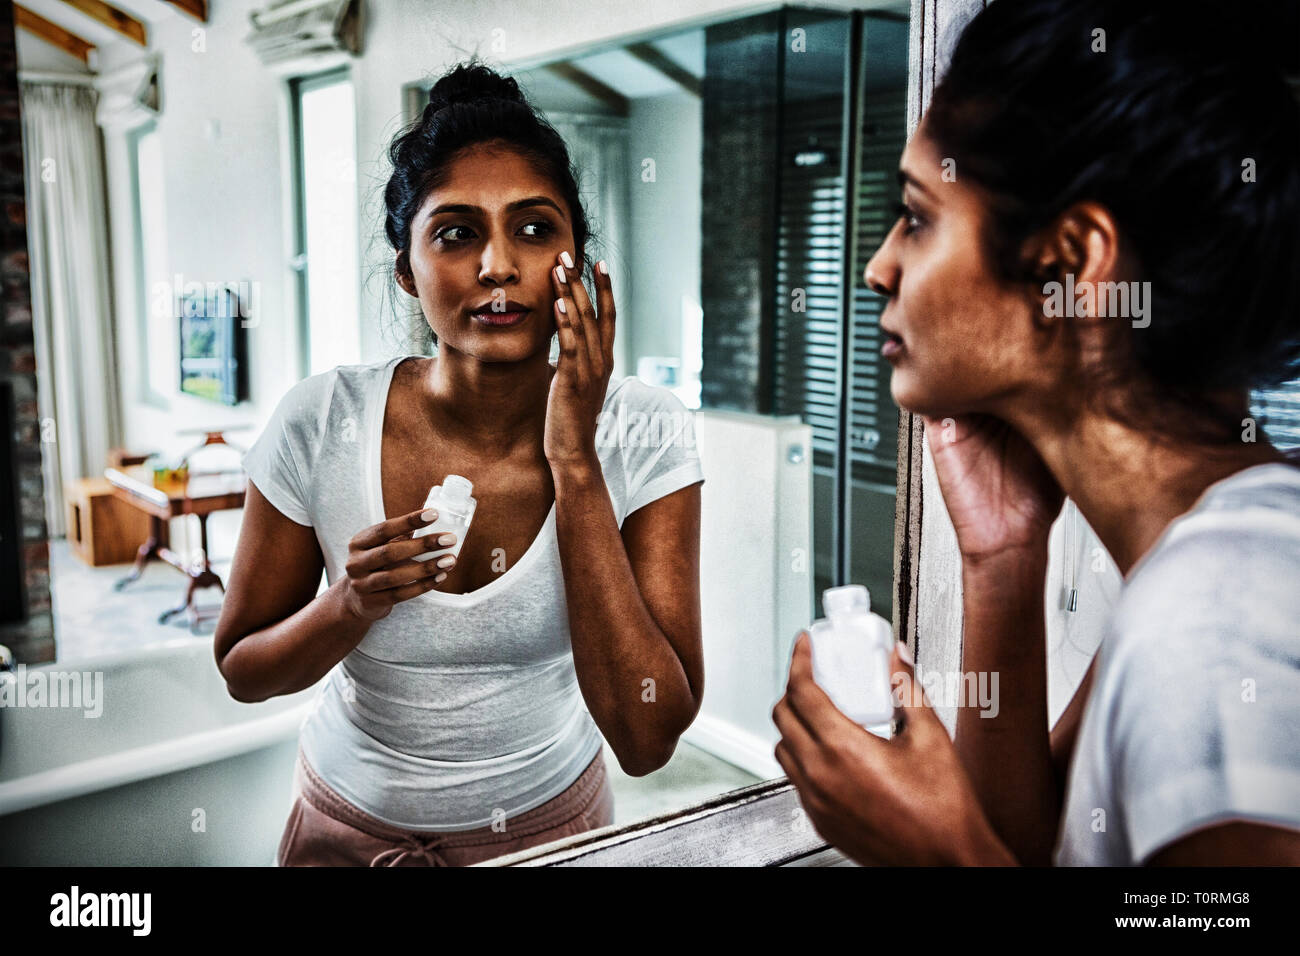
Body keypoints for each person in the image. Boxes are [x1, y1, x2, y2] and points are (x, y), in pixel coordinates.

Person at [773, 0, 1300, 865]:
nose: (877, 268)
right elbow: (1030, 844)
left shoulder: (1211, 622)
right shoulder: (1198, 566)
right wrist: (1002, 560)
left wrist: (938, 857)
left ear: (1070, 262)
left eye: (917, 215)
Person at [214, 61, 706, 866]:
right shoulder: (320, 421)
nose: (497, 266)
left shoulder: (645, 431)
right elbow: (243, 670)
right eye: (456, 232)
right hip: (347, 835)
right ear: (406, 268)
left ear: (575, 257)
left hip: (553, 836)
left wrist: (575, 459)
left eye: (535, 228)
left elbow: (647, 738)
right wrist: (348, 603)